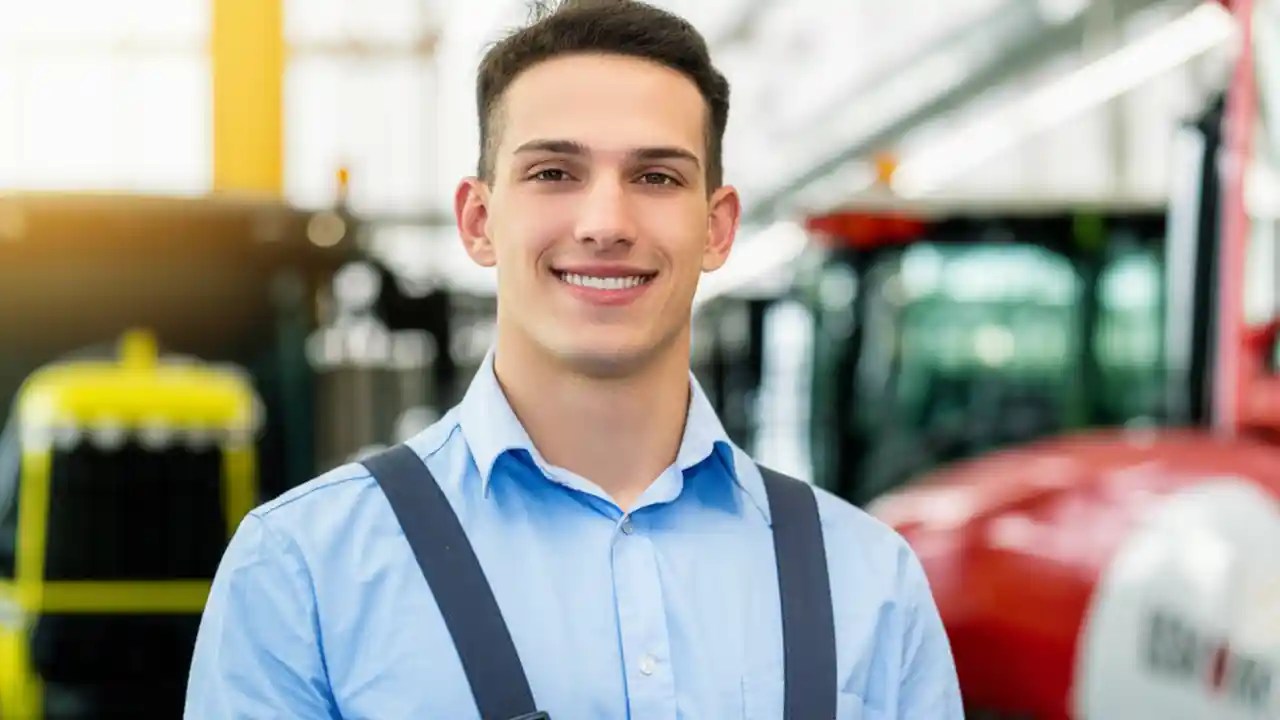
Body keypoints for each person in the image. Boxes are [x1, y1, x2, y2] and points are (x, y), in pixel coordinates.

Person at [184, 1, 964, 717]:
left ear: (717, 229)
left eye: (655, 177)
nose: (604, 221)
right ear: (480, 220)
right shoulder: (304, 573)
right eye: (554, 173)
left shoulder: (868, 585)